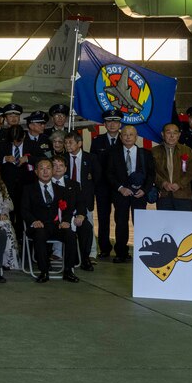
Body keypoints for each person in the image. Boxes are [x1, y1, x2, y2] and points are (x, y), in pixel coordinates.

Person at [21, 158, 78, 283]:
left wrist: (66, 221)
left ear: (52, 171)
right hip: (38, 226)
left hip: (56, 226)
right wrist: (33, 221)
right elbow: (24, 210)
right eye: (42, 169)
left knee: (70, 235)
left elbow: (68, 209)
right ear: (36, 172)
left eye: (48, 168)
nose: (45, 171)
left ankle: (68, 271)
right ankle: (44, 271)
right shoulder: (28, 189)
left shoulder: (61, 190)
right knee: (40, 234)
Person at [105, 125, 153, 263]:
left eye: (131, 134)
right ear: (120, 137)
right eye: (125, 134)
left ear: (136, 137)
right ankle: (121, 252)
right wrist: (120, 188)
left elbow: (151, 175)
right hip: (121, 194)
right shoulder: (113, 153)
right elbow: (109, 173)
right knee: (121, 223)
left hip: (139, 194)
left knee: (140, 223)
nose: (128, 137)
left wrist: (144, 190)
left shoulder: (145, 154)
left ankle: (143, 252)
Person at [90, 108, 124, 258]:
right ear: (104, 124)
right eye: (109, 121)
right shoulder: (97, 141)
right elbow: (94, 163)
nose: (112, 124)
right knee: (103, 218)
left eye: (115, 121)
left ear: (120, 124)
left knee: (121, 219)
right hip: (103, 186)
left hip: (120, 187)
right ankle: (104, 248)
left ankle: (121, 249)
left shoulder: (125, 139)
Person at [51, 155, 94, 273]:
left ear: (65, 169)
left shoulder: (74, 184)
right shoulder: (46, 184)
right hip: (53, 220)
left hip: (72, 217)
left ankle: (85, 258)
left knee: (86, 226)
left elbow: (81, 203)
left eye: (61, 165)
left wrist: (81, 215)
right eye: (54, 165)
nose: (58, 168)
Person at [152, 121, 192, 212]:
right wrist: (163, 183)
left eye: (175, 133)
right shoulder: (154, 151)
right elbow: (152, 172)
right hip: (163, 195)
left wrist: (179, 184)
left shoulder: (187, 150)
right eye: (168, 132)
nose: (172, 136)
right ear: (163, 134)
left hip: (183, 194)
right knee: (165, 221)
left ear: (179, 135)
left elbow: (190, 171)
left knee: (183, 221)